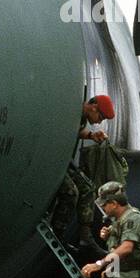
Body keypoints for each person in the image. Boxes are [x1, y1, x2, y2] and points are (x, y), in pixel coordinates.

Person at [51, 95, 123, 252]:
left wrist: (91, 135)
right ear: (93, 107)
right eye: (100, 116)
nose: (99, 121)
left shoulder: (80, 117)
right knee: (71, 192)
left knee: (87, 187)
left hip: (61, 161)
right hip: (50, 159)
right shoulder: (70, 111)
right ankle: (57, 234)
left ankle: (85, 237)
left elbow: (77, 130)